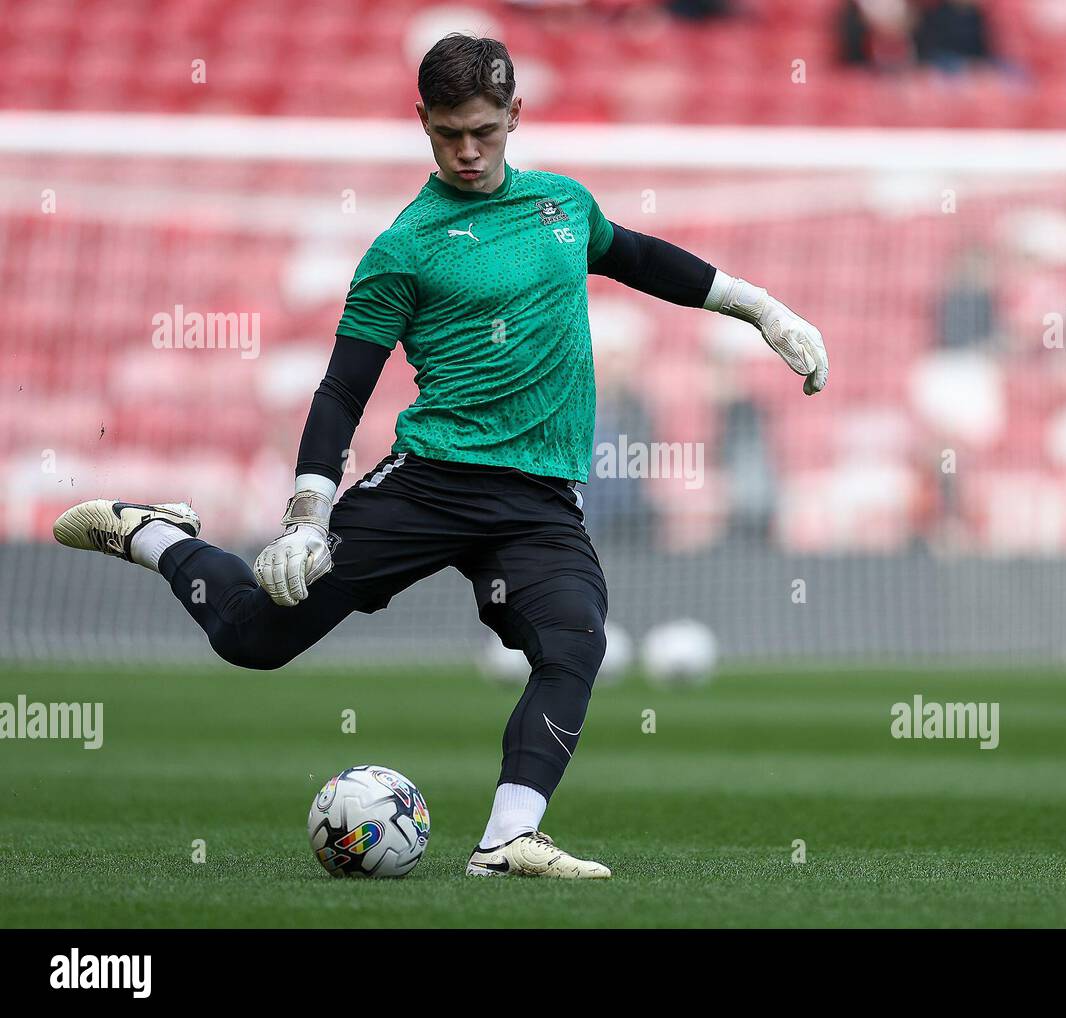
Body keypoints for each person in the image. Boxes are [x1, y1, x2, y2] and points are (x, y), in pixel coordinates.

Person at [52, 33, 828, 880]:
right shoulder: (404, 248)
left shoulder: (563, 207)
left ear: (515, 117)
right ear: (422, 122)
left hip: (538, 502)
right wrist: (307, 516)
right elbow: (343, 388)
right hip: (429, 483)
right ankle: (158, 535)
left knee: (575, 643)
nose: (468, 151)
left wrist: (763, 310)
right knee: (255, 640)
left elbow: (642, 259)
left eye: (485, 132)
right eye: (449, 132)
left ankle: (505, 840)